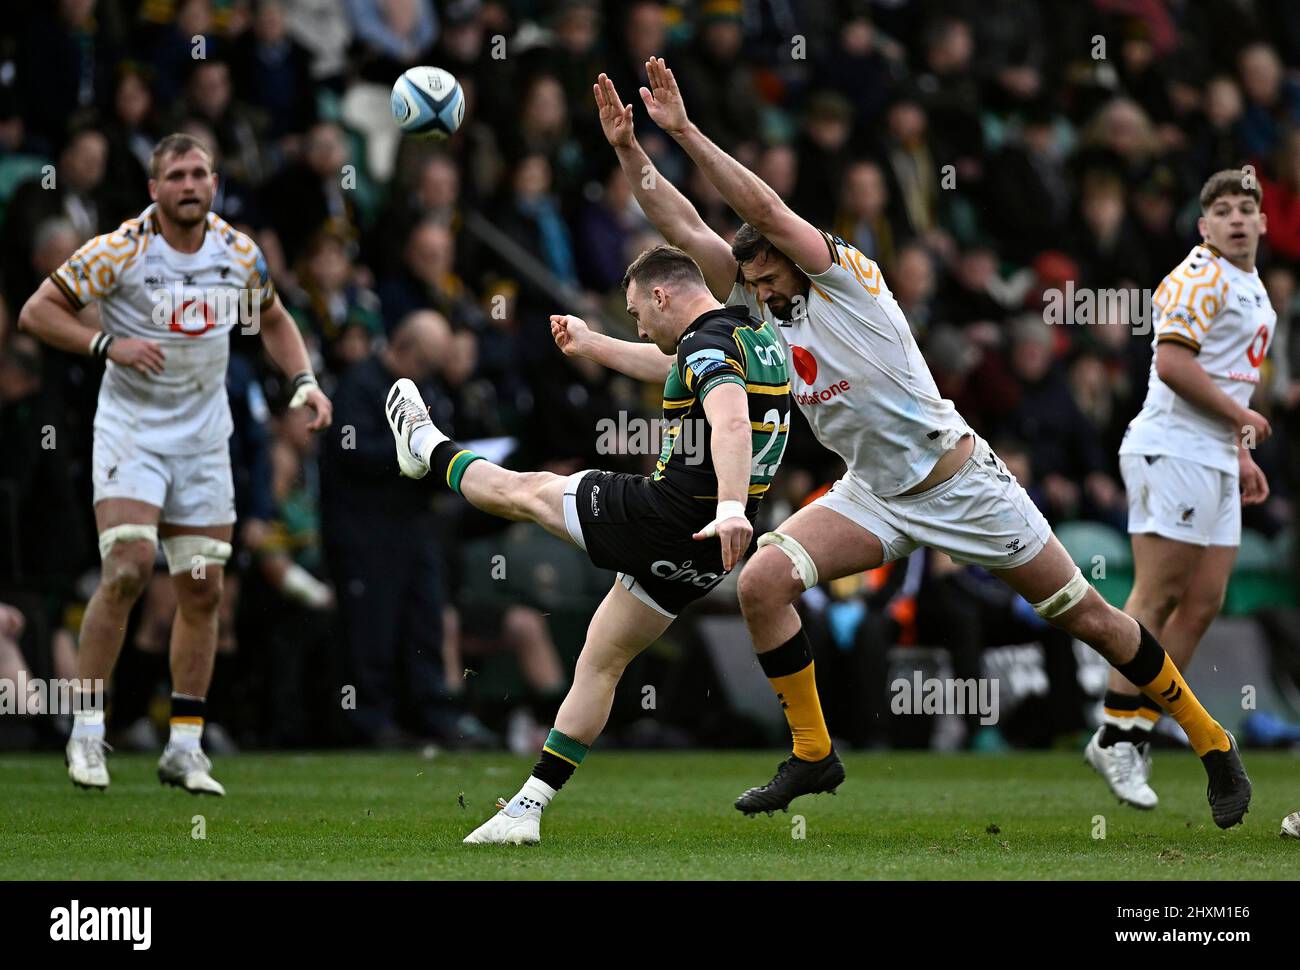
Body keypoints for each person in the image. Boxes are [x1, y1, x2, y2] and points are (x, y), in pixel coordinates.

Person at [590, 60, 1251, 828]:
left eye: (767, 273)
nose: (759, 292)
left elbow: (762, 205)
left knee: (1093, 619)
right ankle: (813, 754)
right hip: (872, 492)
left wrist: (685, 131)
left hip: (961, 484)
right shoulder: (761, 304)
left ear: (788, 253)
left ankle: (1212, 742)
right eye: (752, 281)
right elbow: (686, 228)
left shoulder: (846, 276)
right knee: (761, 584)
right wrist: (632, 150)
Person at [385, 244, 792, 843]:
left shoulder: (706, 345)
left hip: (672, 514)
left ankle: (425, 445)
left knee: (526, 492)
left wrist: (730, 506)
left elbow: (729, 419)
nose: (639, 325)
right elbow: (674, 367)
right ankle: (527, 808)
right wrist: (593, 344)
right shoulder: (750, 337)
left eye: (635, 313)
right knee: (602, 657)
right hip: (703, 553)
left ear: (662, 295)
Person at [17, 133, 332, 794]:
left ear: (213, 183)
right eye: (176, 176)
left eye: (199, 174)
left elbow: (272, 318)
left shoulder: (236, 251)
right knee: (129, 568)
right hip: (132, 432)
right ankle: (87, 733)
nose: (190, 185)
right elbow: (37, 312)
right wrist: (107, 343)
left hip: (203, 440)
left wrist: (303, 380)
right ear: (154, 189)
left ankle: (184, 746)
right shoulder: (120, 250)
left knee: (203, 589)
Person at [1089, 170, 1275, 808]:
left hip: (1213, 458)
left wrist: (1237, 453)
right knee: (1158, 594)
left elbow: (1227, 374)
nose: (1237, 219)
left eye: (1247, 209)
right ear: (1204, 226)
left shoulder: (1250, 285)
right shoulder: (1201, 274)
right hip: (1169, 450)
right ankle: (1115, 734)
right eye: (1222, 211)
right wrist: (1241, 421)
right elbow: (1171, 363)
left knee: (1202, 603)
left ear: (1263, 221)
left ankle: (1136, 731)